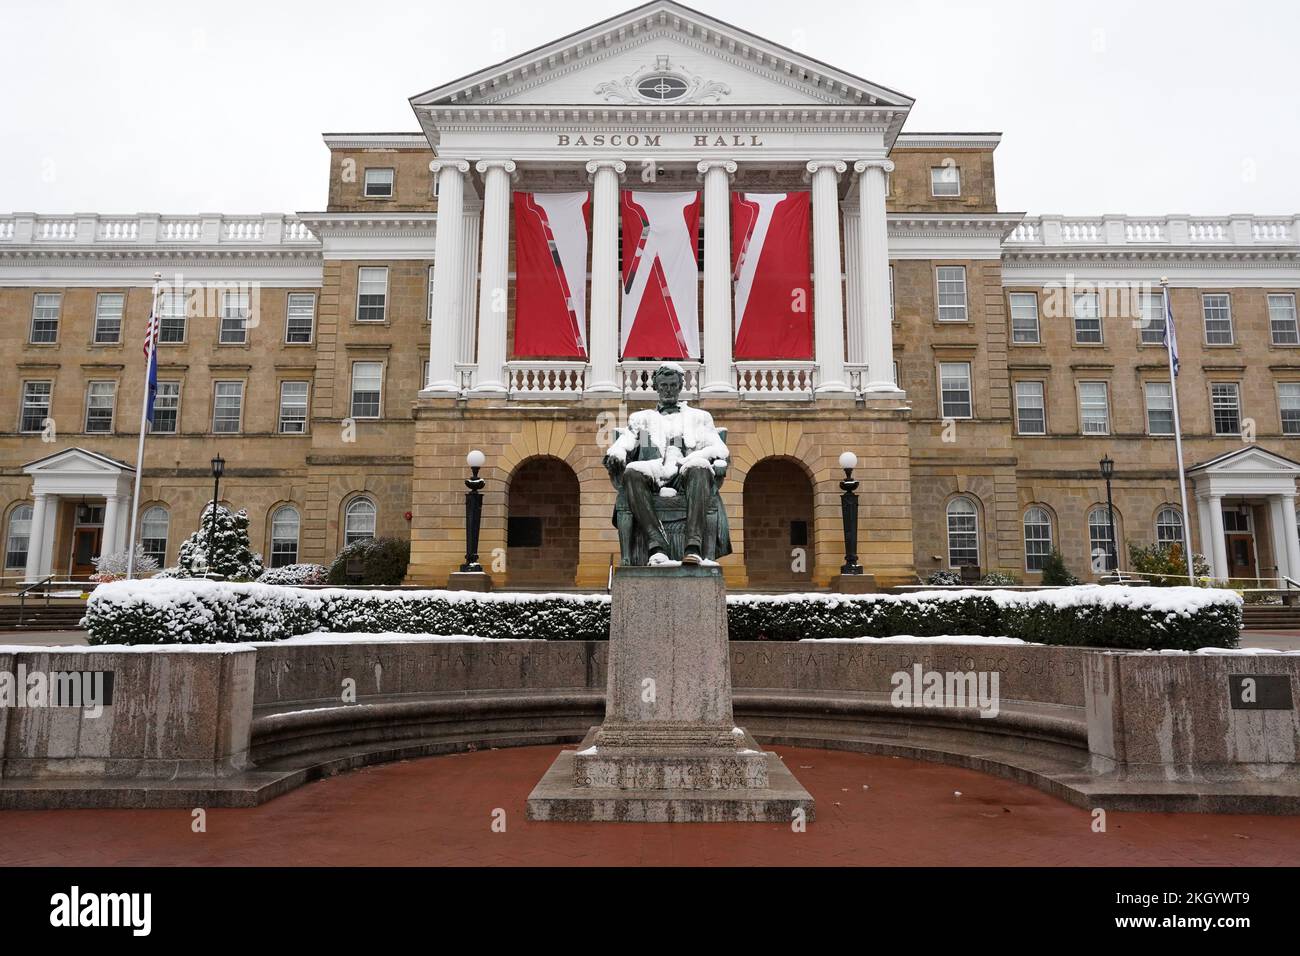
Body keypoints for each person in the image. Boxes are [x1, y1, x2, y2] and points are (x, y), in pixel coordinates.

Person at [603, 362, 729, 566]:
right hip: (654, 473)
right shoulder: (641, 419)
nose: (668, 390)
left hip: (684, 474)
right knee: (632, 472)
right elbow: (624, 443)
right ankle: (656, 545)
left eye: (672, 385)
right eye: (663, 386)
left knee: (700, 467)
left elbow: (719, 448)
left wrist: (700, 460)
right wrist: (616, 454)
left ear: (680, 387)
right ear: (657, 388)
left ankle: (693, 547)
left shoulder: (699, 418)